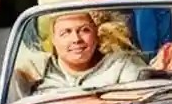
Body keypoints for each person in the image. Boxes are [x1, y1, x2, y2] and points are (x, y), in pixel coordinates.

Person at [20, 12, 148, 95]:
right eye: (65, 33)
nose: (76, 39)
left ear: (96, 35)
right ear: (53, 40)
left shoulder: (121, 65)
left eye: (84, 30)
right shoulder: (36, 70)